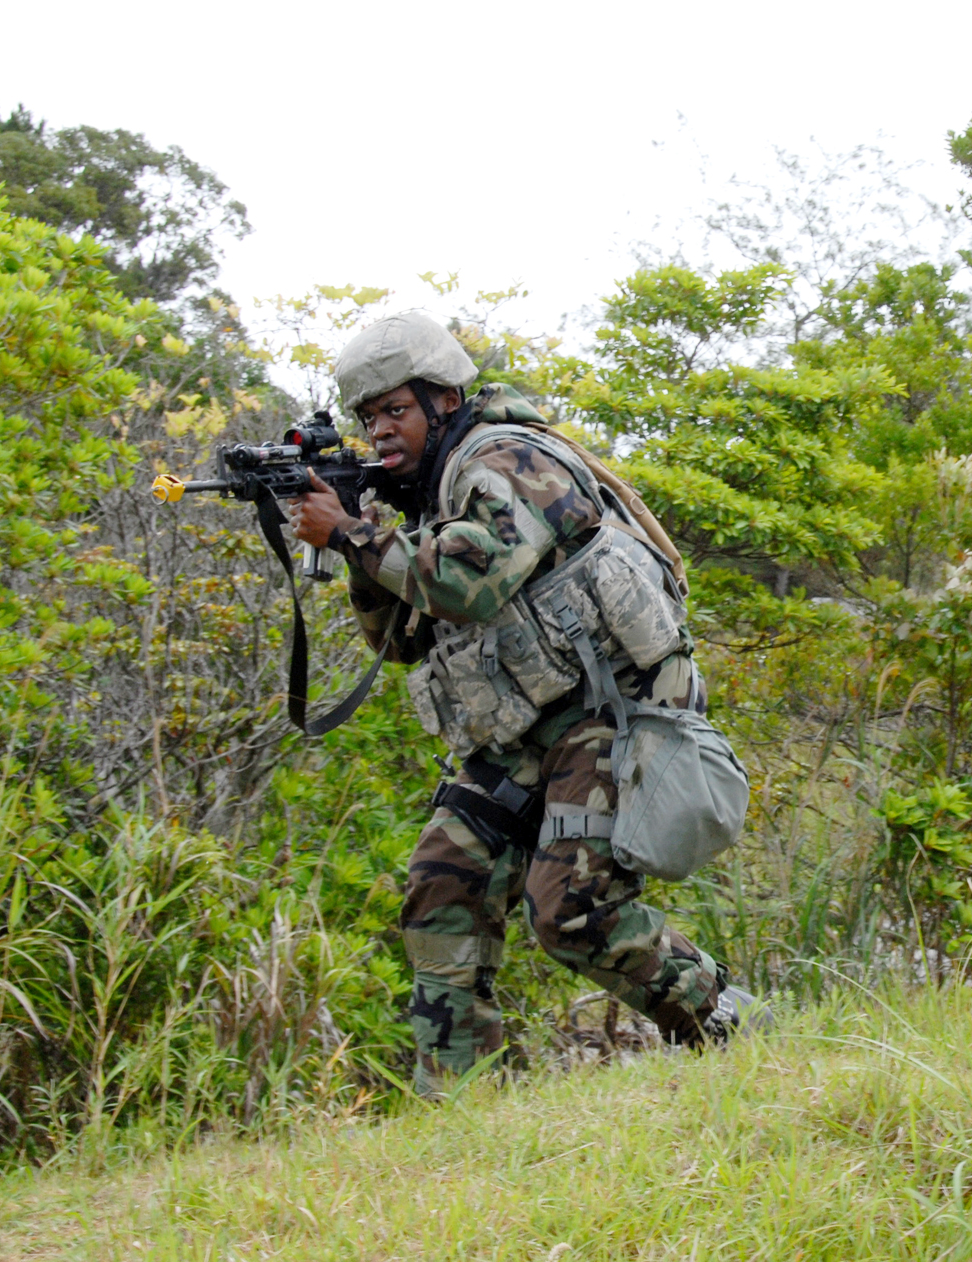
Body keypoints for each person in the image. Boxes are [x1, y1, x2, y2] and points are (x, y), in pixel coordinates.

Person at [289, 310, 756, 1094]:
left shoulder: (507, 459)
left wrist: (349, 536)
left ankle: (734, 1027)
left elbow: (468, 586)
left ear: (444, 399)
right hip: (534, 721)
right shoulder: (431, 495)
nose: (381, 432)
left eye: (396, 410)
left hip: (613, 706)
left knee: (572, 908)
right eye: (369, 418)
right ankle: (463, 1096)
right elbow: (400, 644)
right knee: (444, 883)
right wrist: (362, 536)